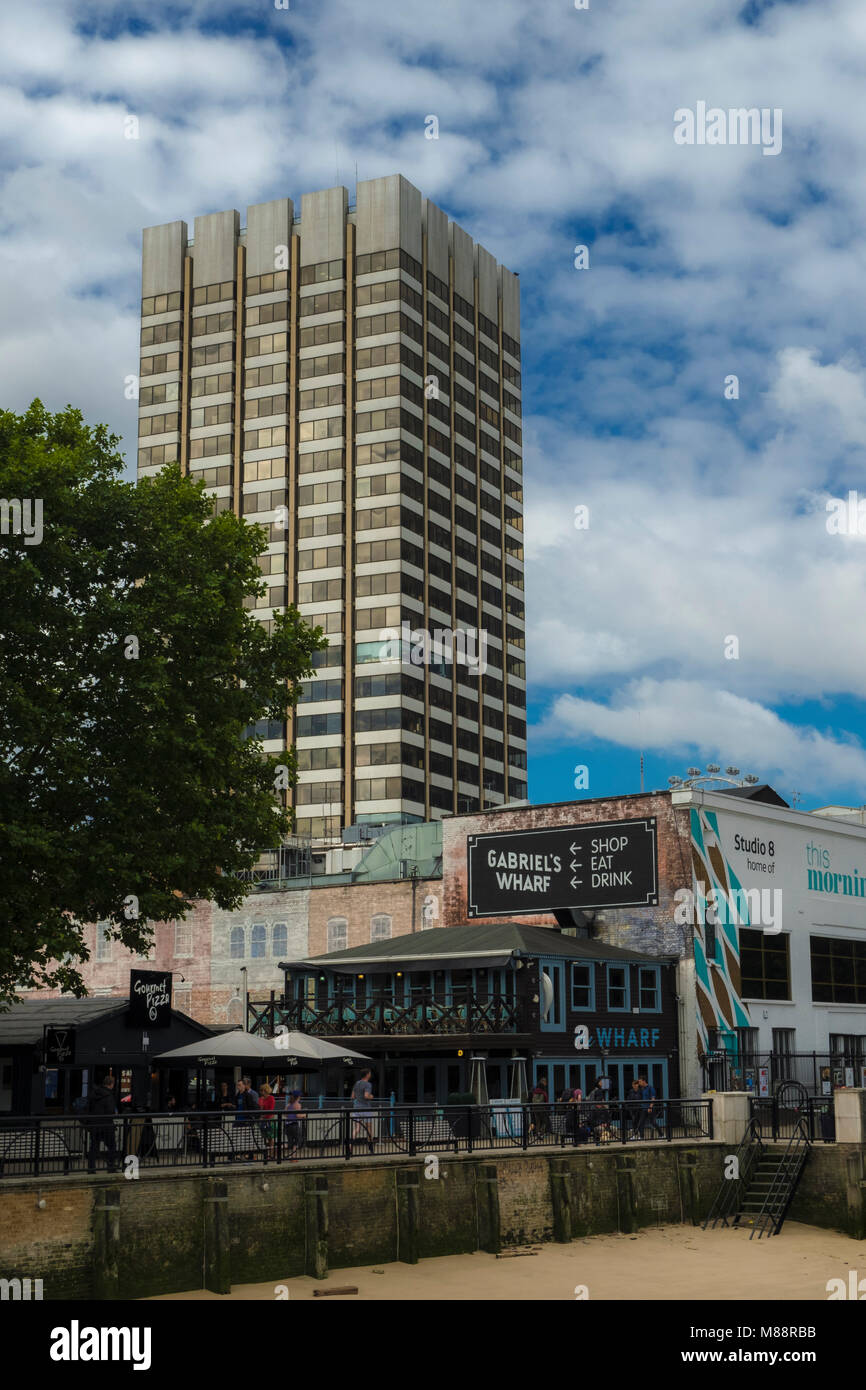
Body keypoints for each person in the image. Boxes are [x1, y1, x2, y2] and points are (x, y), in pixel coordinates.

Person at [86, 1074, 118, 1173]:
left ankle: (91, 1169)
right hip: (106, 1125)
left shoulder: (94, 1094)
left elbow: (89, 1108)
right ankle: (110, 1167)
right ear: (111, 1084)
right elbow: (110, 1111)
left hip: (95, 1125)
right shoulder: (108, 1095)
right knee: (112, 1146)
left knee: (94, 1147)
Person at [351, 1069, 376, 1153]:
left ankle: (350, 1146)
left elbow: (352, 1096)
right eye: (370, 1073)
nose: (370, 1075)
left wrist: (359, 1097)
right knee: (369, 1128)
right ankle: (371, 1148)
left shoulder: (357, 1083)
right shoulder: (368, 1084)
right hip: (366, 1108)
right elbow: (366, 1096)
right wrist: (371, 1096)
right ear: (367, 1075)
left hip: (356, 1108)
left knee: (357, 1129)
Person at [284, 1089, 304, 1159]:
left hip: (287, 1125)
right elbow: (298, 1115)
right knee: (297, 1140)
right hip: (294, 1124)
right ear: (298, 1097)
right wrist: (304, 1115)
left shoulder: (288, 1105)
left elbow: (285, 1115)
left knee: (290, 1141)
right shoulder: (297, 1105)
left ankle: (278, 1148)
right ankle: (293, 1156)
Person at [258, 1082, 276, 1157]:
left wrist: (263, 1116)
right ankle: (267, 1153)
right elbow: (260, 1109)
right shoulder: (261, 1099)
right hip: (263, 1119)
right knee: (265, 1137)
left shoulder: (271, 1098)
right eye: (261, 1091)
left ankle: (271, 1153)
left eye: (263, 1091)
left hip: (269, 1119)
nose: (262, 1092)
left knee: (270, 1137)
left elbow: (271, 1110)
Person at [530, 1077, 550, 1142]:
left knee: (537, 1121)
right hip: (542, 1108)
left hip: (535, 1108)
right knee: (544, 1121)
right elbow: (546, 1101)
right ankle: (541, 1133)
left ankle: (537, 1133)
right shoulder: (543, 1092)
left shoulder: (535, 1091)